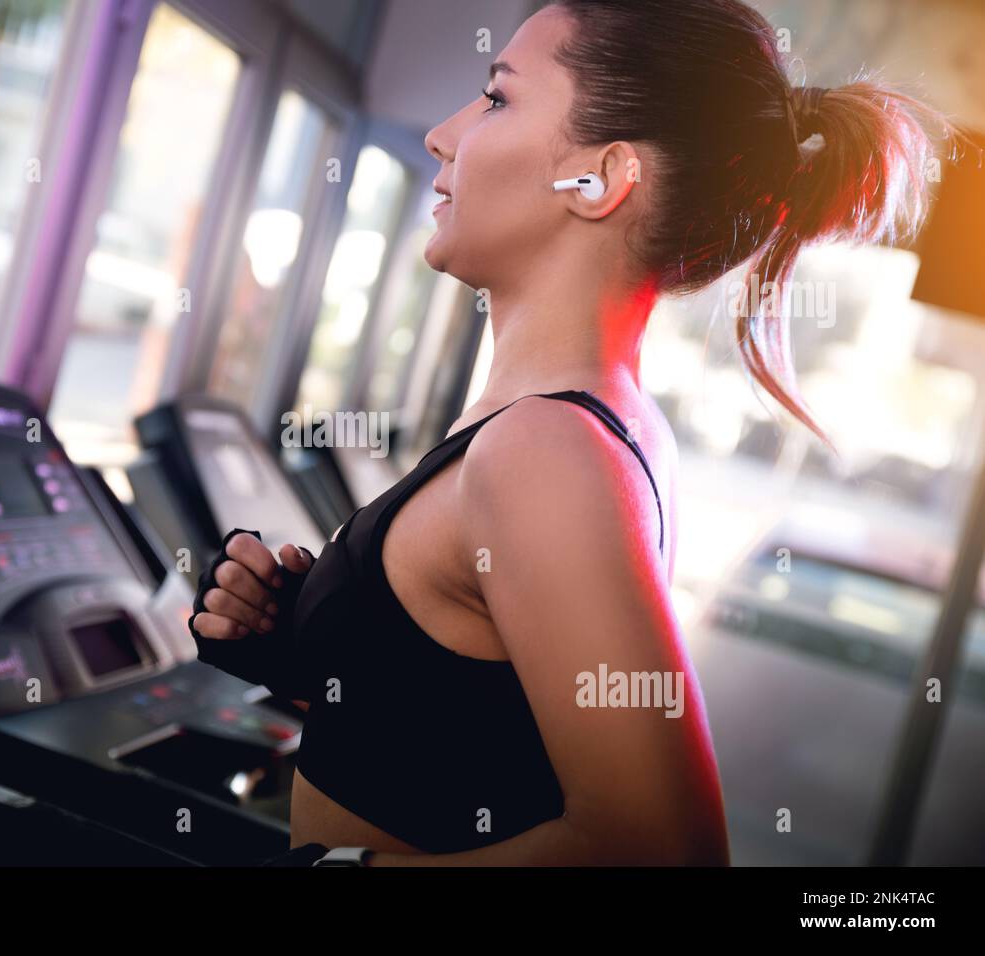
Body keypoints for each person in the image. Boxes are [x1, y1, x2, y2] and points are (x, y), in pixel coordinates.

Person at [189, 0, 952, 866]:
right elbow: (485, 730)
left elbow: (661, 852)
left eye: (496, 99)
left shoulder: (543, 452)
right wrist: (319, 650)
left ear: (601, 180)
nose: (443, 136)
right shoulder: (574, 423)